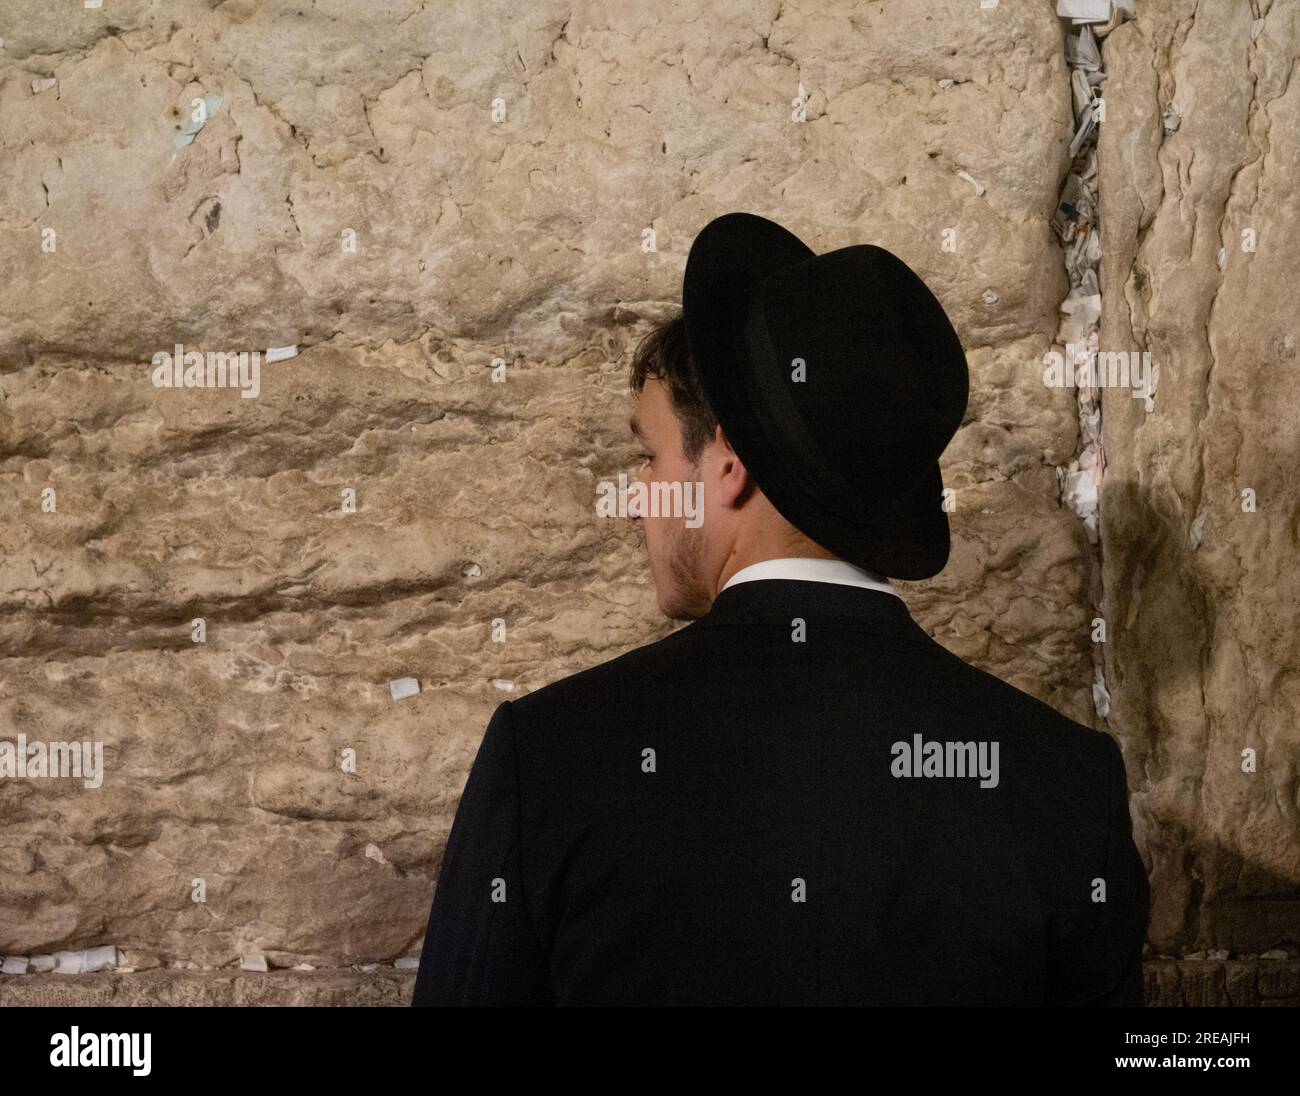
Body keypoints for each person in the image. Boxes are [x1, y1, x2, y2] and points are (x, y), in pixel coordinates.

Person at [411, 211, 1149, 1006]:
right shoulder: (1068, 786)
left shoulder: (548, 761)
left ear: (728, 463)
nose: (635, 504)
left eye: (648, 456)